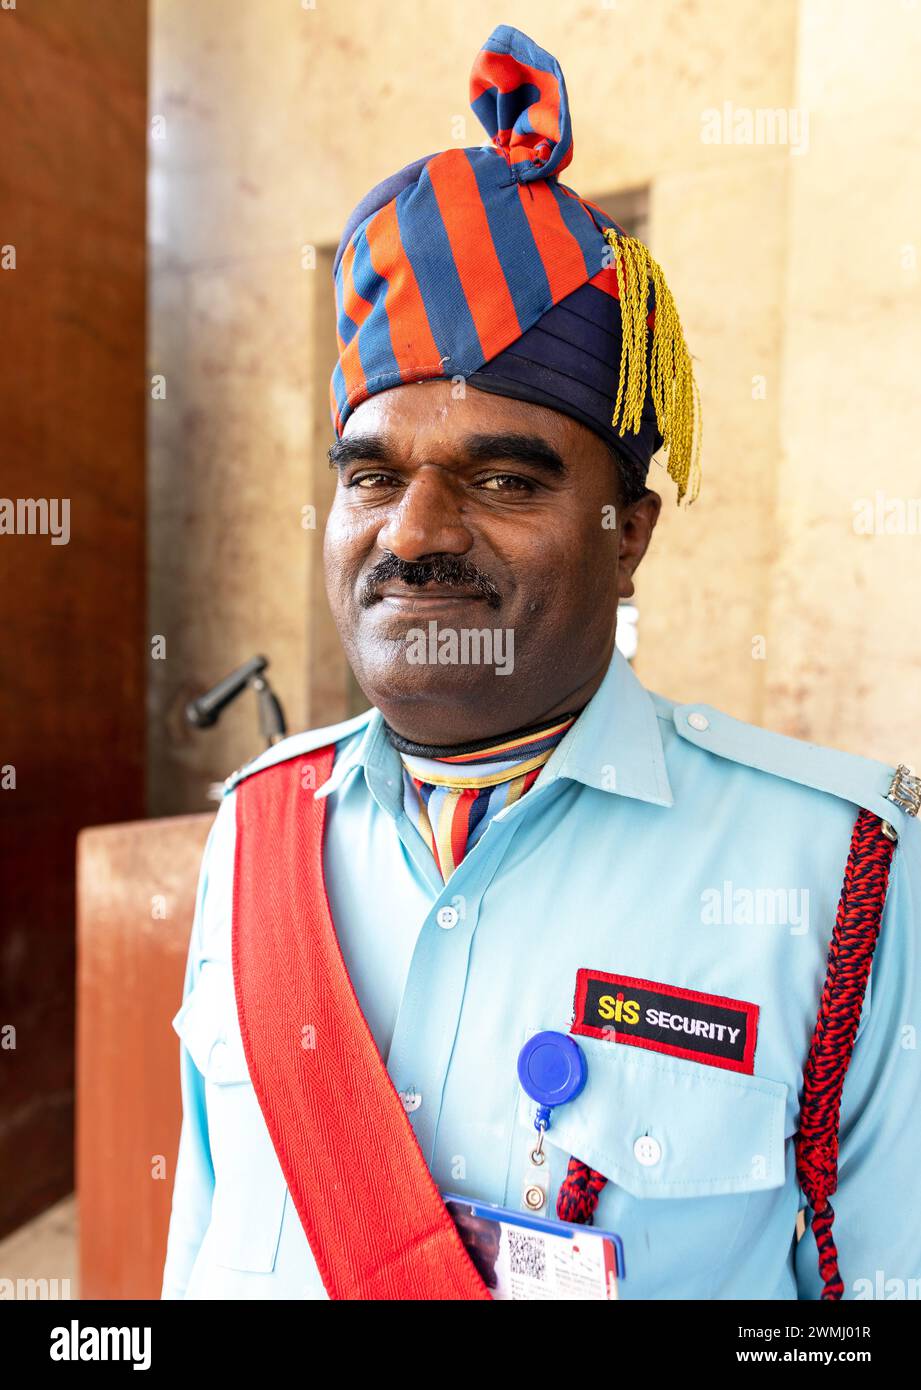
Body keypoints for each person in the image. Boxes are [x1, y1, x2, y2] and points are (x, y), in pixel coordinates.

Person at [161, 24, 920, 1301]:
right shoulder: (253, 835)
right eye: (371, 476)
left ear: (629, 535)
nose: (413, 535)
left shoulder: (836, 877)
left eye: (503, 477)